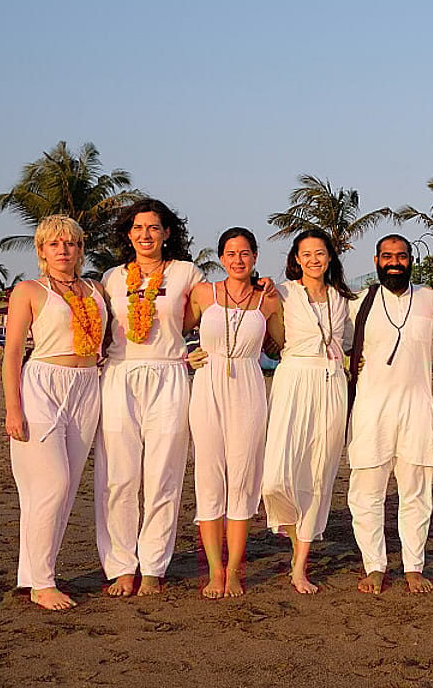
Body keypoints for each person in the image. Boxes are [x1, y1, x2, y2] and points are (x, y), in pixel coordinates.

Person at [95, 198, 205, 597]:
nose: (146, 235)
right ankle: (122, 565)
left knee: (163, 475)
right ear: (128, 235)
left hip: (169, 373)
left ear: (167, 233)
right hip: (119, 373)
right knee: (118, 476)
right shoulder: (111, 278)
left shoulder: (185, 272)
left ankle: (154, 565)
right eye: (138, 228)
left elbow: (211, 308)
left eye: (154, 227)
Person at [2, 216, 108, 609]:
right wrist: (13, 408)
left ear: (80, 250)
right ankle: (44, 583)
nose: (63, 250)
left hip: (87, 387)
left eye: (71, 243)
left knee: (62, 490)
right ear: (42, 251)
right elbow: (13, 352)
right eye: (54, 244)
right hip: (43, 386)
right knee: (53, 484)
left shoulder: (96, 289)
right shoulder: (29, 290)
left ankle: (30, 576)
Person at [186, 228, 283, 598]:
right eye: (230, 253)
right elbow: (172, 332)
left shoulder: (267, 299)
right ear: (221, 257)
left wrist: (277, 298)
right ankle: (215, 570)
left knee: (243, 478)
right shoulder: (203, 293)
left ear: (255, 256)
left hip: (248, 385)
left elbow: (282, 344)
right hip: (208, 384)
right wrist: (187, 354)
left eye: (244, 253)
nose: (237, 259)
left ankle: (234, 570)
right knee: (209, 476)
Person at [260, 229, 354, 594]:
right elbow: (268, 333)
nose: (314, 259)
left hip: (331, 382)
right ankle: (290, 523)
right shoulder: (283, 292)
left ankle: (300, 564)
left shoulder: (342, 298)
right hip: (293, 378)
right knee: (276, 476)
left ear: (330, 257)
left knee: (318, 472)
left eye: (320, 253)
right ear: (297, 259)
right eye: (307, 254)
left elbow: (352, 341)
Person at [347, 234, 433, 595]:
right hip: (372, 410)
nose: (395, 263)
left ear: (411, 260)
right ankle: (374, 565)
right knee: (366, 493)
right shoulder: (360, 303)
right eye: (387, 256)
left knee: (416, 492)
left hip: (417, 409)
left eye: (401, 256)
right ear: (376, 261)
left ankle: (414, 567)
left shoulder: (430, 299)